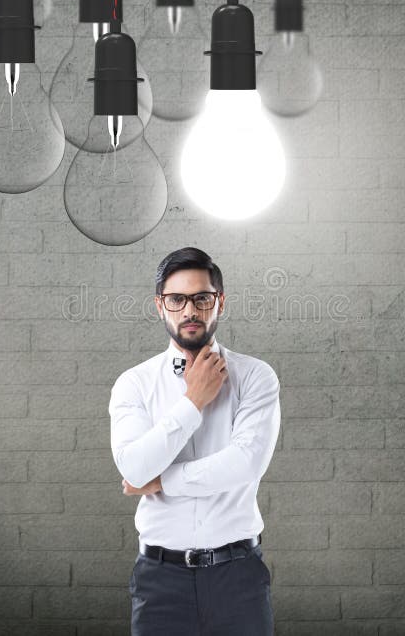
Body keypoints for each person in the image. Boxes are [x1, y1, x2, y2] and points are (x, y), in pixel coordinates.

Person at [108, 246, 280, 635]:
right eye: (176, 299)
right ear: (160, 306)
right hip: (160, 580)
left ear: (219, 302)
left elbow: (245, 464)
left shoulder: (255, 376)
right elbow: (134, 467)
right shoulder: (134, 384)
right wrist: (193, 401)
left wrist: (162, 481)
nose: (189, 311)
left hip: (239, 577)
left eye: (201, 298)